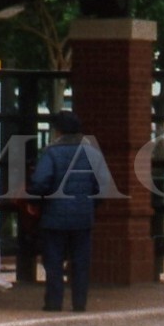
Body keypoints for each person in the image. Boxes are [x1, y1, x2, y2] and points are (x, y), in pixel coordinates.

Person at [28, 111, 112, 313]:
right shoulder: (92, 153)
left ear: (58, 130)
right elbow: (104, 184)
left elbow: (40, 182)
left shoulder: (51, 153)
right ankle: (79, 303)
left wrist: (35, 201)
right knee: (81, 262)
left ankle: (54, 302)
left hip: (54, 216)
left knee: (53, 261)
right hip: (83, 216)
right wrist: (91, 204)